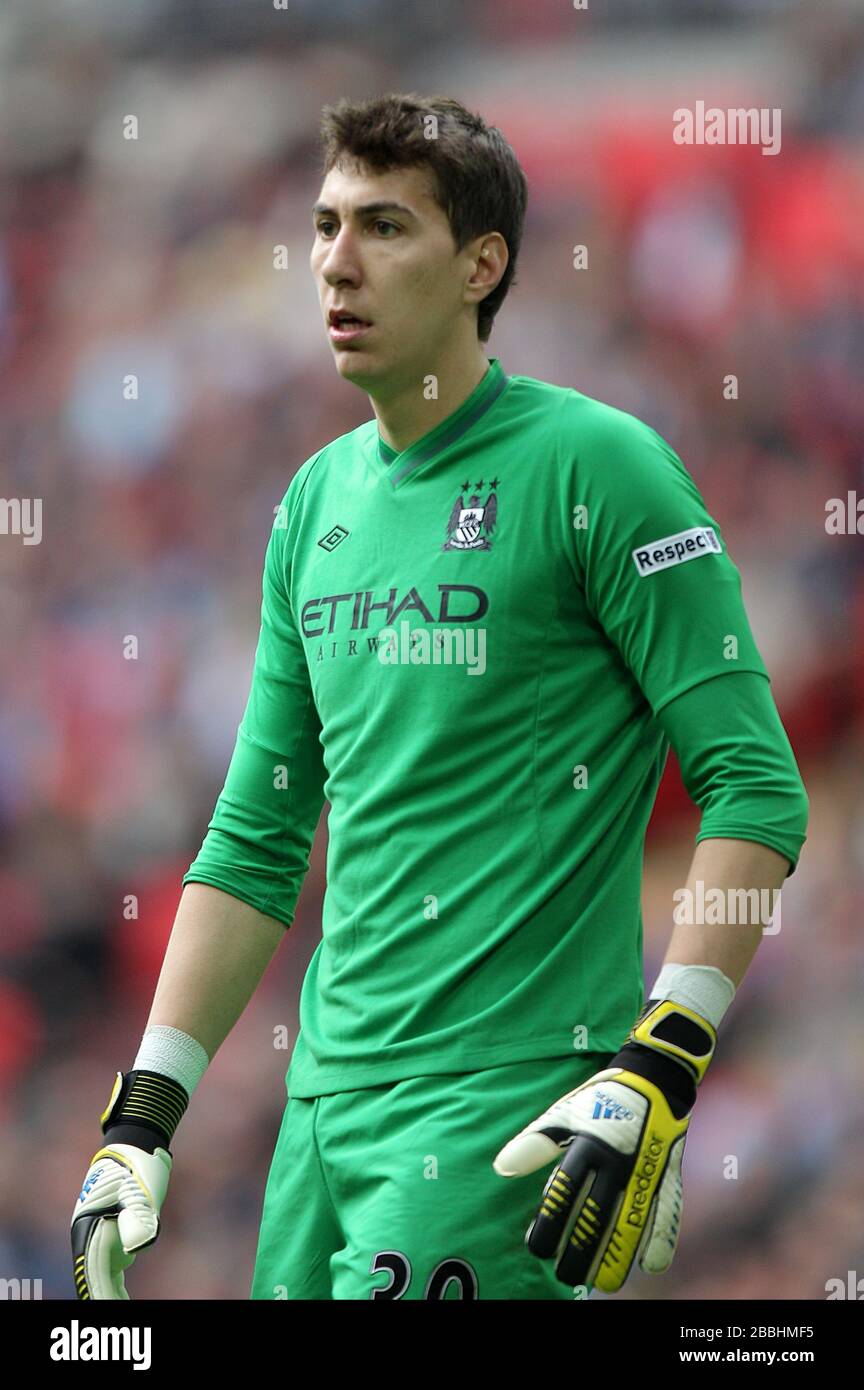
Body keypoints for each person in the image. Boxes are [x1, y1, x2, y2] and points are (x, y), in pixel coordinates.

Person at [71, 92, 808, 1301]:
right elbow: (255, 842)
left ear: (482, 265)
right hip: (320, 1111)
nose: (334, 263)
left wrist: (665, 1050)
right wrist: (142, 1113)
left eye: (383, 227)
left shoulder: (599, 465)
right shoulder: (315, 501)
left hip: (503, 1106)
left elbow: (755, 784)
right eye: (322, 225)